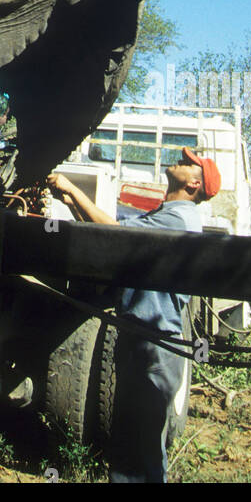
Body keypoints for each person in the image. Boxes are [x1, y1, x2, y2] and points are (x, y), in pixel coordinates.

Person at [47, 146, 221, 483]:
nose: (181, 161)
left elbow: (117, 235)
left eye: (189, 164)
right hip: (141, 342)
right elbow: (114, 245)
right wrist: (70, 203)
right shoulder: (166, 214)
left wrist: (72, 189)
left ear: (194, 184)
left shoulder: (178, 218)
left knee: (144, 453)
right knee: (128, 449)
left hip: (155, 346)